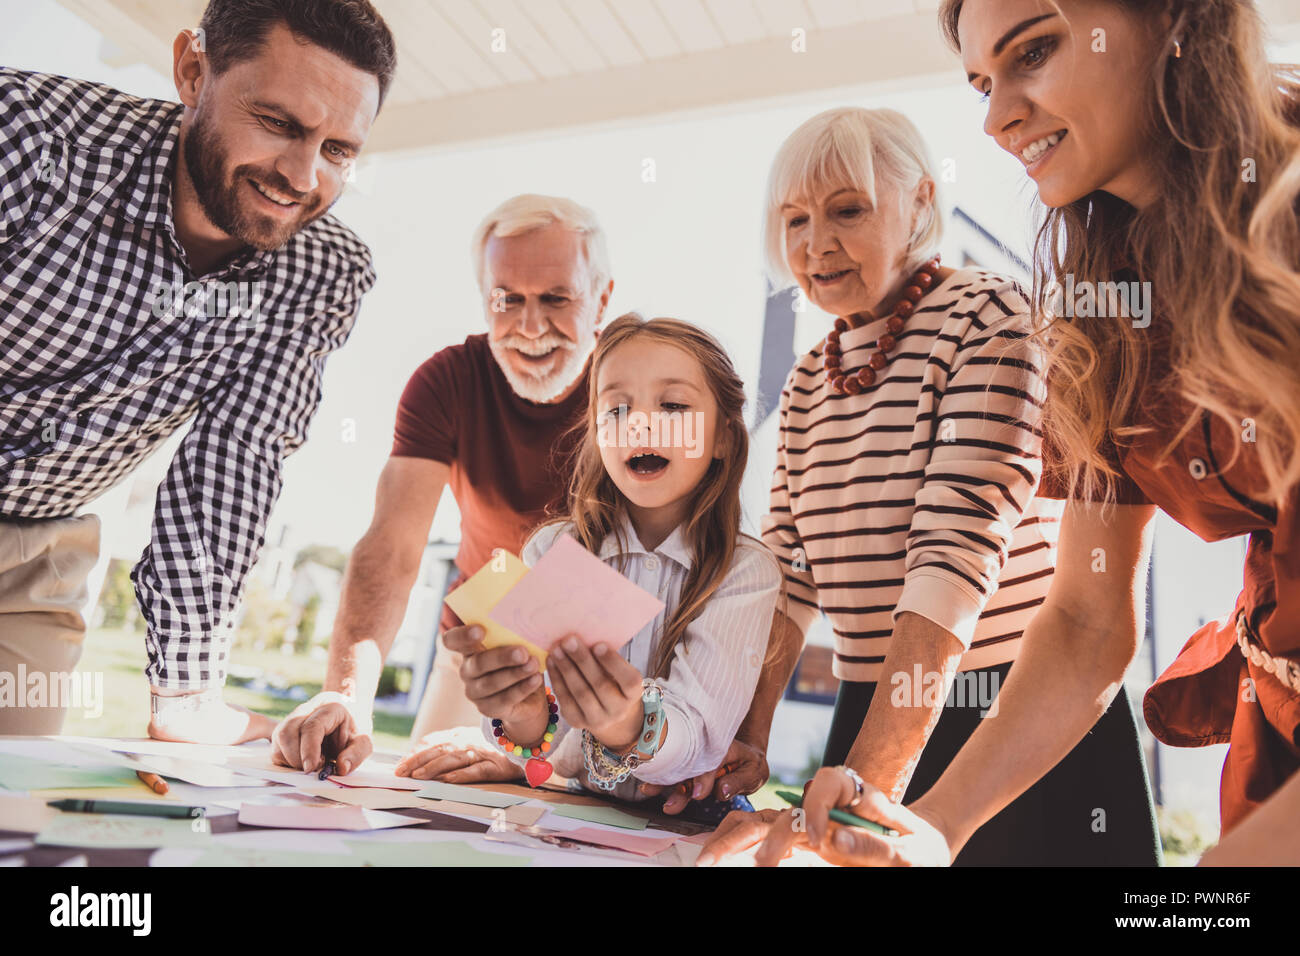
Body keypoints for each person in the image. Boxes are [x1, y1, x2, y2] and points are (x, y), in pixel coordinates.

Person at [755, 0, 1300, 867]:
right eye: (981, 82)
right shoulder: (1103, 297)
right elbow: (1086, 621)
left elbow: (956, 555)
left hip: (996, 712)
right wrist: (934, 826)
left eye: (1035, 51)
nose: (997, 116)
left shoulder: (987, 315)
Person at [699, 105, 1161, 866]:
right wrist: (749, 733)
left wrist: (875, 786)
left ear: (919, 203)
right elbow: (787, 573)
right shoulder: (812, 378)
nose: (816, 245)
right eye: (795, 221)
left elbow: (956, 547)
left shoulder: (987, 313)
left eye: (847, 210)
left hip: (1011, 716)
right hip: (870, 700)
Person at [0, 0, 394, 741]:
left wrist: (185, 694)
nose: (302, 176)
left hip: (34, 559)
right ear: (191, 69)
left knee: (16, 803)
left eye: (339, 150)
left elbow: (231, 468)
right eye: (279, 123)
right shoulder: (26, 136)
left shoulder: (320, 273)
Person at [270, 194, 612, 777]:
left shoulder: (633, 385)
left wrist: (529, 750)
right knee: (417, 797)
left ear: (601, 300)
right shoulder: (448, 381)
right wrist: (347, 694)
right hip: (482, 653)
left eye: (557, 298)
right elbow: (394, 547)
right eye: (507, 300)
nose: (531, 327)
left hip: (599, 659)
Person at [433, 313, 782, 805]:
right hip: (576, 816)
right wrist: (524, 715)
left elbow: (702, 736)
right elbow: (549, 748)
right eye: (616, 409)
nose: (639, 423)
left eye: (674, 404)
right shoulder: (552, 551)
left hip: (696, 826)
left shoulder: (746, 572)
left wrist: (627, 724)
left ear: (724, 436)